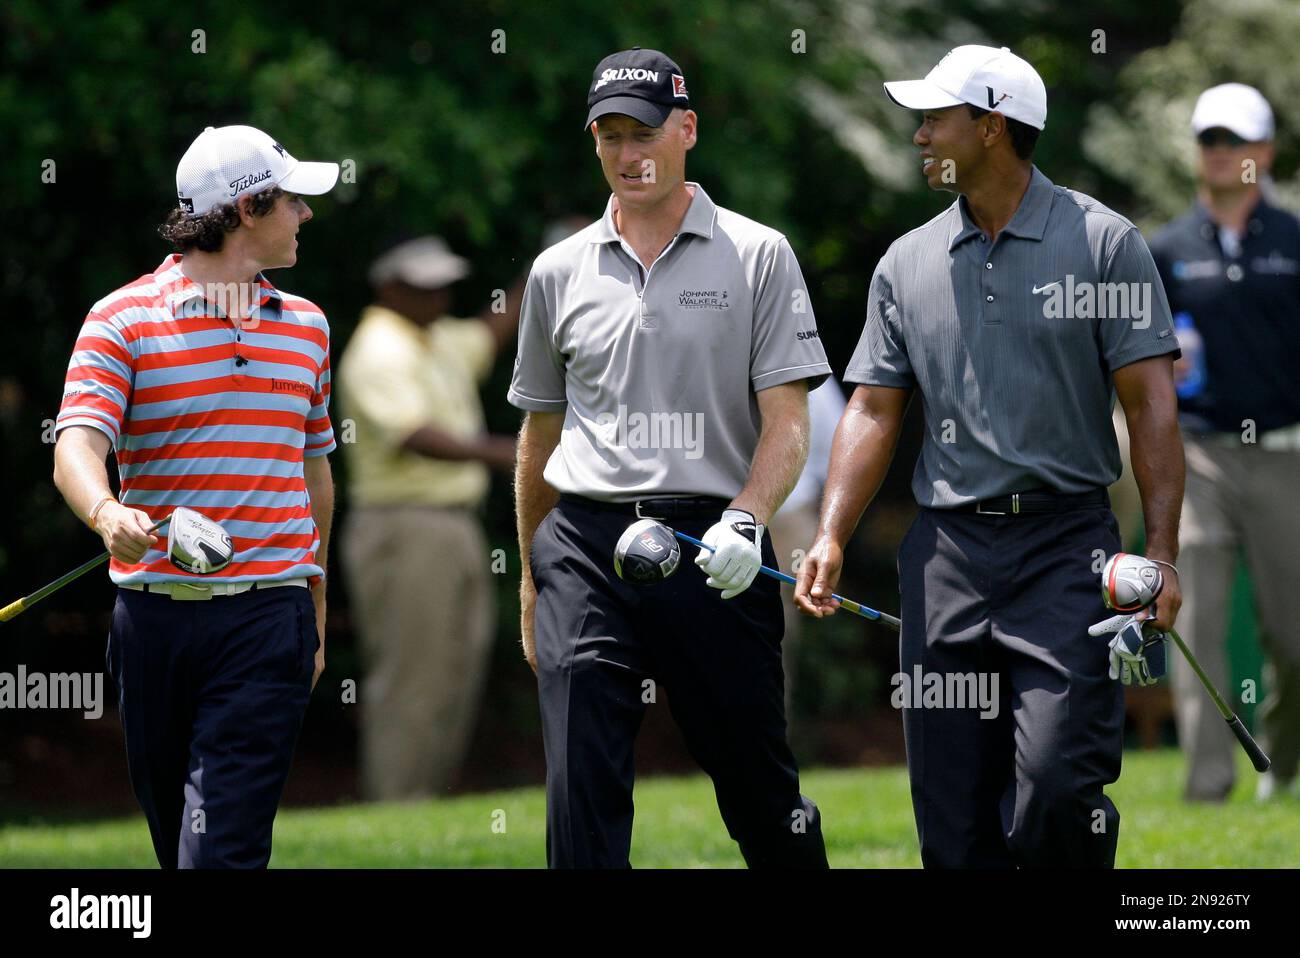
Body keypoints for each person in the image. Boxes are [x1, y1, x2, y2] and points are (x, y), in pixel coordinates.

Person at [795, 46, 1185, 868]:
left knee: (1054, 788)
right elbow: (871, 407)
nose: (919, 136)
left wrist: (1162, 555)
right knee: (953, 817)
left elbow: (1151, 407)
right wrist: (831, 532)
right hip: (945, 557)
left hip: (1066, 552)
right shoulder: (906, 262)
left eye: (935, 119)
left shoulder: (1105, 245)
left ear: (993, 125)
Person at [509, 47, 832, 868]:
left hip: (712, 543)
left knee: (758, 788)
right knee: (579, 782)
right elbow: (539, 437)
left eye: (644, 132)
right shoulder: (557, 270)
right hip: (583, 543)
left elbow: (788, 422)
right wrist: (529, 579)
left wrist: (747, 521)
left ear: (686, 130)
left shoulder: (759, 253)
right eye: (609, 135)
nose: (628, 153)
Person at [53, 125, 339, 867]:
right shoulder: (122, 319)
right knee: (174, 840)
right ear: (248, 209)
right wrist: (106, 512)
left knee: (220, 850)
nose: (306, 215)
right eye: (293, 202)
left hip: (268, 615)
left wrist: (316, 598)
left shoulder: (308, 328)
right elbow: (76, 445)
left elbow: (316, 474)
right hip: (152, 621)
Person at [1148, 83, 1300, 802]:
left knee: (1293, 637)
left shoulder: (1294, 241)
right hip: (1199, 452)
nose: (1218, 153)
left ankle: (1286, 761)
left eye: (1233, 141)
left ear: (1263, 154)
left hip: (1285, 452)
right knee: (1198, 619)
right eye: (1209, 140)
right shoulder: (1167, 248)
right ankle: (1208, 783)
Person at [337, 236, 521, 801]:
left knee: (455, 671)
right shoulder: (378, 349)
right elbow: (417, 435)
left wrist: (538, 268)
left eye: (444, 286)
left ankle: (424, 807)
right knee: (412, 678)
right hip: (404, 524)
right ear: (389, 289)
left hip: (450, 525)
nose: (439, 297)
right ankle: (397, 809)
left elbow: (489, 332)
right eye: (425, 287)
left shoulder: (433, 336)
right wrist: (516, 454)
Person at [767, 376, 847, 722]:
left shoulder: (808, 371)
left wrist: (824, 526)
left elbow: (841, 447)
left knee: (776, 632)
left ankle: (773, 732)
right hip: (715, 517)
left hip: (789, 518)